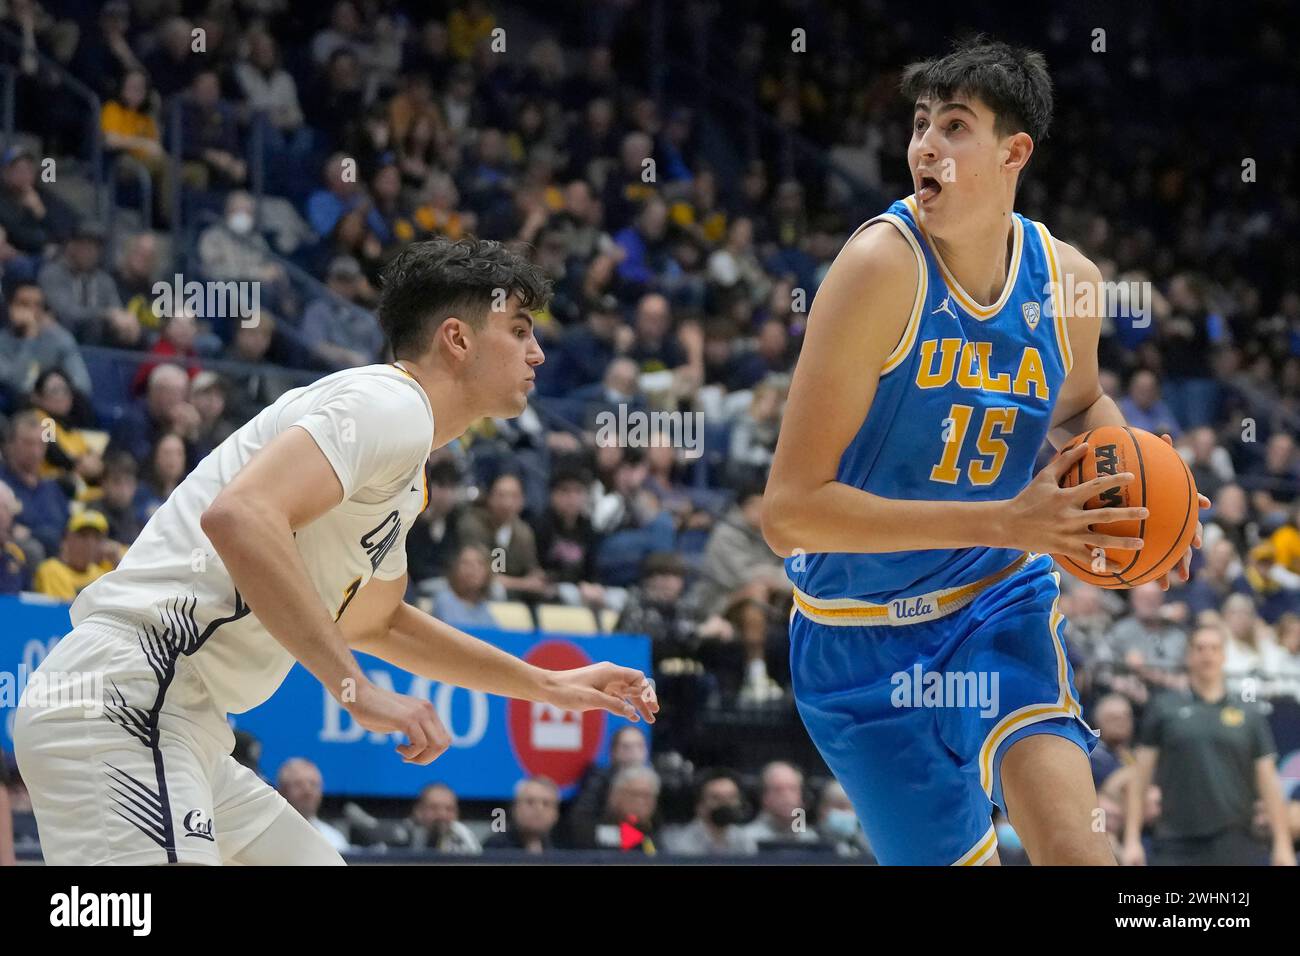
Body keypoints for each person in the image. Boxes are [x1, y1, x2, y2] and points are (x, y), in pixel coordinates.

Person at [13, 237, 656, 866]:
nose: (538, 353)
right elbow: (239, 516)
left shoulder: (404, 468)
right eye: (519, 330)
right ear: (457, 339)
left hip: (183, 726)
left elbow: (375, 622)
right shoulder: (389, 404)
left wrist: (546, 684)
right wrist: (352, 689)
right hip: (131, 698)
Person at [761, 38, 1209, 865]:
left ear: (1014, 152)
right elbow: (788, 517)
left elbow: (1080, 407)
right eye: (921, 123)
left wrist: (1151, 502)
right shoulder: (876, 270)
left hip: (992, 604)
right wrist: (1008, 520)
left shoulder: (1069, 279)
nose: (924, 144)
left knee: (1078, 852)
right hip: (855, 644)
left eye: (954, 126)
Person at [1122, 626, 1296, 866]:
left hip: (1236, 839)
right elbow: (1139, 777)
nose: (1207, 654)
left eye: (1214, 648)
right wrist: (1132, 839)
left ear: (1224, 656)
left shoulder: (1249, 713)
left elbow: (1269, 782)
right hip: (1175, 840)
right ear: (1188, 656)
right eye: (1199, 648)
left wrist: (1282, 845)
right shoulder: (1164, 707)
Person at [31, 510, 117, 601]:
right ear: (67, 539)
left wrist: (117, 562)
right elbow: (68, 611)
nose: (90, 544)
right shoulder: (51, 570)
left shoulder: (101, 575)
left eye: (97, 538)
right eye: (83, 536)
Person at [276, 758, 349, 854]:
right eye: (298, 784)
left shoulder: (334, 839)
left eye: (313, 784)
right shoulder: (268, 834)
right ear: (282, 791)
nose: (308, 791)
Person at [482, 777, 561, 854]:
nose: (538, 809)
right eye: (530, 802)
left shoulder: (562, 850)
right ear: (515, 808)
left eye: (546, 804)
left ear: (556, 814)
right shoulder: (495, 848)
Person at [406, 782, 481, 854]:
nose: (442, 815)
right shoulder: (403, 835)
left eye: (449, 809)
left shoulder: (463, 836)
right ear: (419, 811)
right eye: (434, 808)